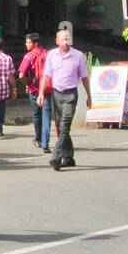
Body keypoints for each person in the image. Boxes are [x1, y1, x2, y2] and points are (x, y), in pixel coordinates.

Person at [38, 29, 92, 171]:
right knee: (60, 127)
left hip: (71, 95)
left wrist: (89, 96)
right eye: (63, 40)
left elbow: (84, 77)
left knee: (65, 125)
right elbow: (46, 75)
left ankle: (56, 157)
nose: (66, 42)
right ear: (57, 41)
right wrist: (41, 93)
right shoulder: (51, 55)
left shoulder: (78, 55)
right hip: (56, 94)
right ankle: (69, 158)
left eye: (68, 39)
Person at [18, 33, 50, 153]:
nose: (26, 44)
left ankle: (39, 140)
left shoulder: (29, 56)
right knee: (46, 115)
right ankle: (46, 142)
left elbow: (21, 75)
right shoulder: (47, 53)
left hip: (35, 89)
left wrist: (28, 84)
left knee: (37, 115)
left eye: (28, 42)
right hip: (47, 88)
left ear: (35, 43)